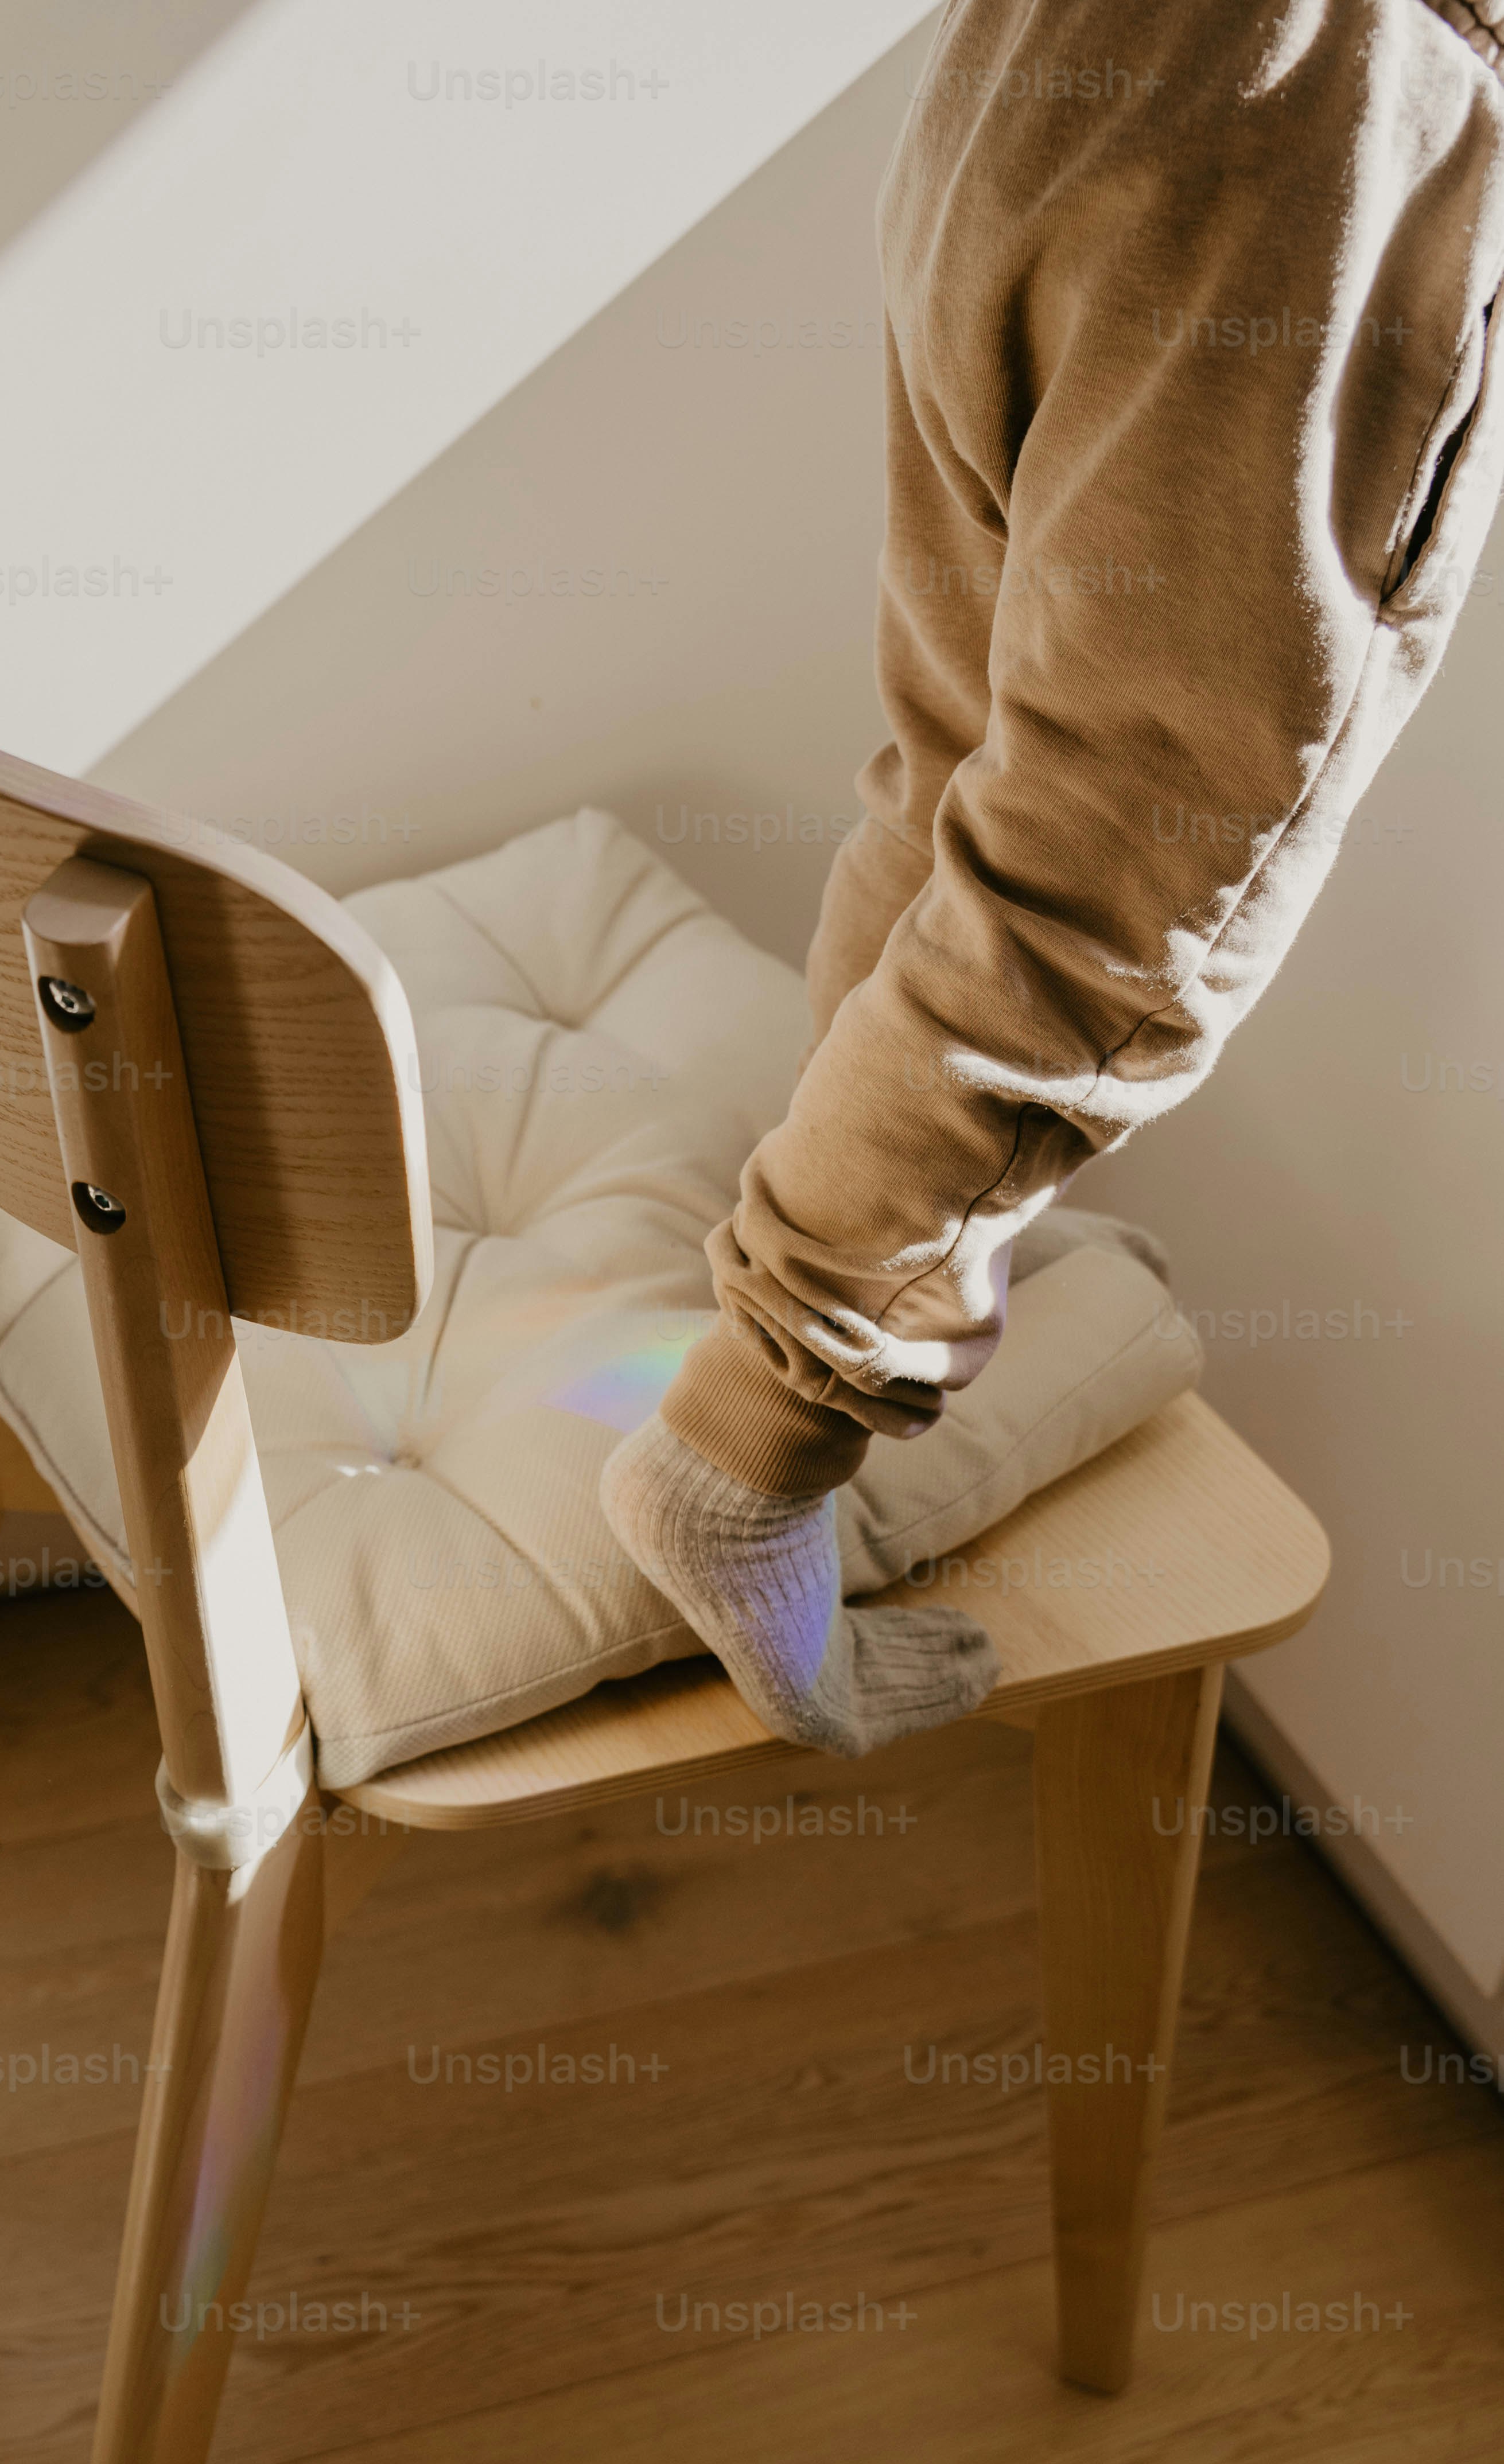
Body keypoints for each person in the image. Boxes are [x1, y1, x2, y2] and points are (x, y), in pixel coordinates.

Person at [601, 0, 1504, 1752]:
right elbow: (1113, 887)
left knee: (977, 755)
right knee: (1124, 874)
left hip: (1089, 51)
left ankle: (812, 1322)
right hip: (1322, 96)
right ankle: (746, 1442)